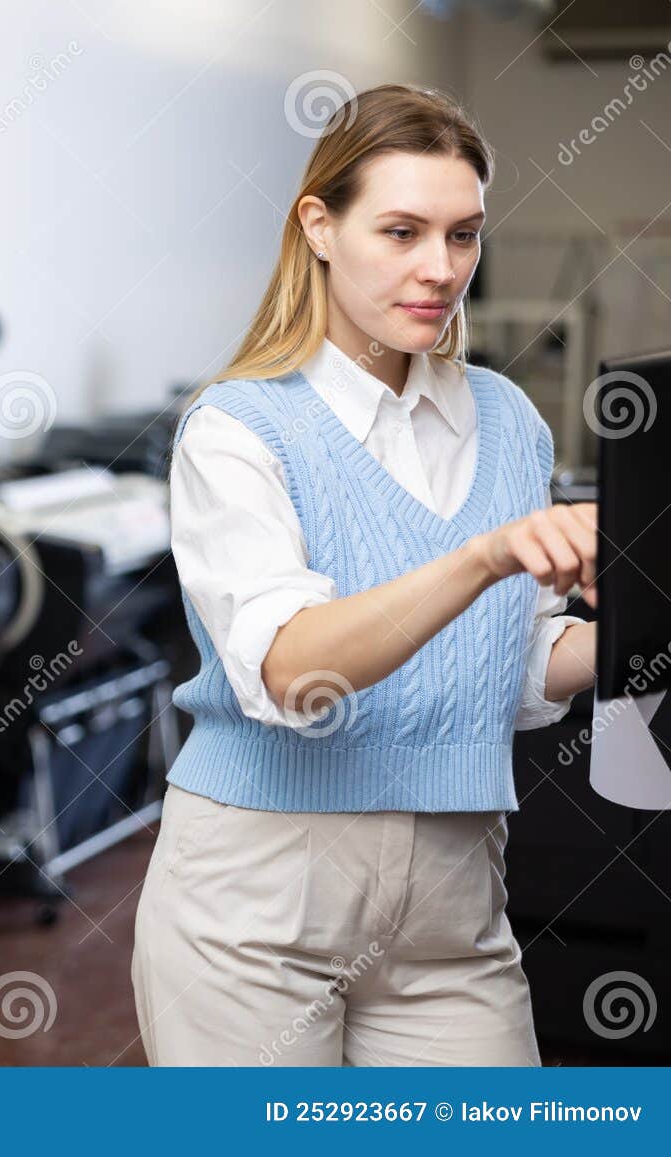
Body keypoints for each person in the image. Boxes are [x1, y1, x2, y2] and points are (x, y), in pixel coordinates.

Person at [131, 84, 599, 1066]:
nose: (441, 268)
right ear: (320, 227)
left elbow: (511, 664)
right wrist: (484, 555)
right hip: (257, 907)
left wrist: (633, 634)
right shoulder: (239, 427)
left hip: (453, 906)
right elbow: (295, 670)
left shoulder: (508, 418)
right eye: (401, 232)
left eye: (463, 236)